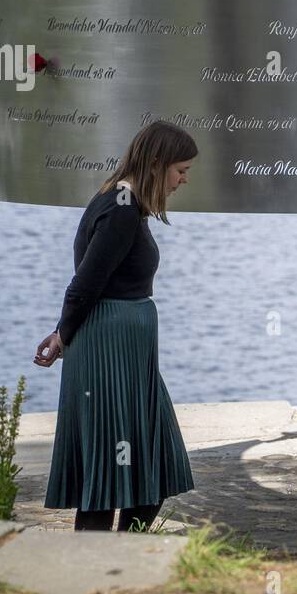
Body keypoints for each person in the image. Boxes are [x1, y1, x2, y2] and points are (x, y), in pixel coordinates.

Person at [35, 121, 197, 532]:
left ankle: (121, 556)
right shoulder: (121, 208)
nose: (183, 180)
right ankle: (99, 569)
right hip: (108, 352)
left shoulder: (126, 202)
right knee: (108, 478)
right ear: (156, 163)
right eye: (180, 170)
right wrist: (62, 334)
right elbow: (86, 282)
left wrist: (63, 333)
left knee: (153, 468)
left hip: (127, 353)